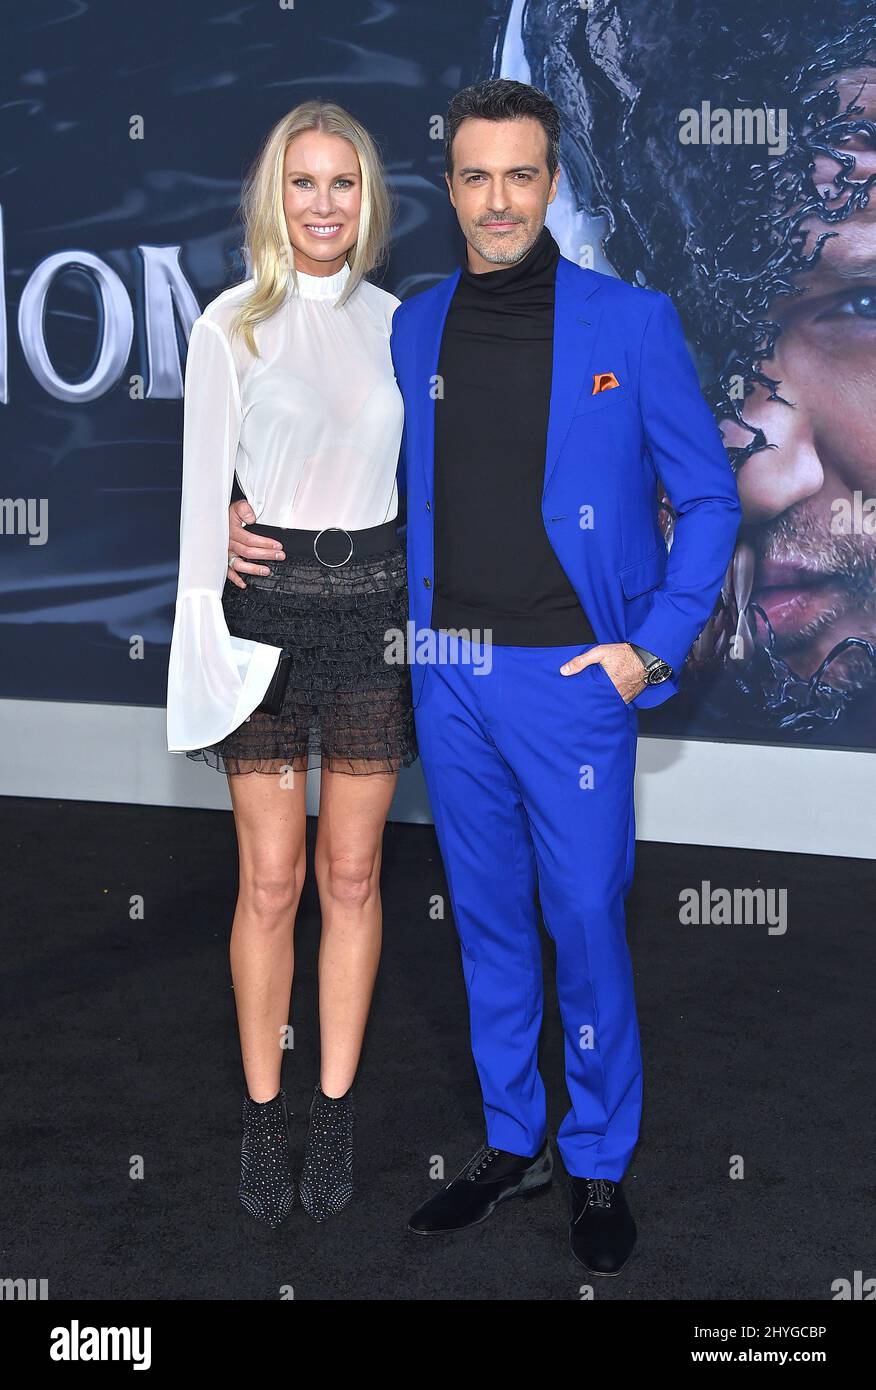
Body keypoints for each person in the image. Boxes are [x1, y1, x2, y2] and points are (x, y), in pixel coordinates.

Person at [388, 78, 740, 1276]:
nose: (497, 200)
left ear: (553, 183)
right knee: (484, 920)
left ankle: (595, 1153)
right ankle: (511, 1140)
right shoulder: (414, 325)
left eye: (520, 175)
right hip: (448, 671)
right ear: (451, 190)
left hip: (571, 678)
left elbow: (708, 495)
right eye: (475, 177)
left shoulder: (629, 323)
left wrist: (651, 642)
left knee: (584, 919)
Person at [165, 100, 416, 1229]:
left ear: (369, 200)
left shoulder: (402, 323)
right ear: (277, 197)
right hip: (262, 617)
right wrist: (209, 594)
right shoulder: (227, 325)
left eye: (344, 184)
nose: (324, 205)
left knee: (352, 879)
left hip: (370, 614)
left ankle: (335, 1107)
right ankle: (265, 1117)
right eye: (304, 184)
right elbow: (194, 516)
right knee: (269, 883)